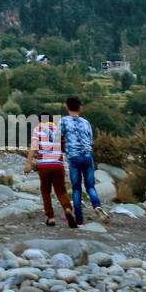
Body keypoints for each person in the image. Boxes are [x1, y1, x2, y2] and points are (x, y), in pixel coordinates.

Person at [60, 96, 108, 224]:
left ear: (67, 106)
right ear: (80, 107)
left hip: (74, 158)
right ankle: (97, 206)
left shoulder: (64, 121)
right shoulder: (86, 123)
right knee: (90, 186)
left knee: (76, 188)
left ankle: (79, 220)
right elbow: (90, 140)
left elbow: (56, 138)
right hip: (87, 157)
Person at [24, 115, 77, 228]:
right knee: (61, 191)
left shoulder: (38, 128)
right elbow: (64, 147)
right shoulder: (58, 129)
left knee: (45, 191)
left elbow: (34, 147)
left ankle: (50, 217)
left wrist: (28, 163)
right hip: (58, 164)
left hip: (44, 166)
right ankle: (68, 209)